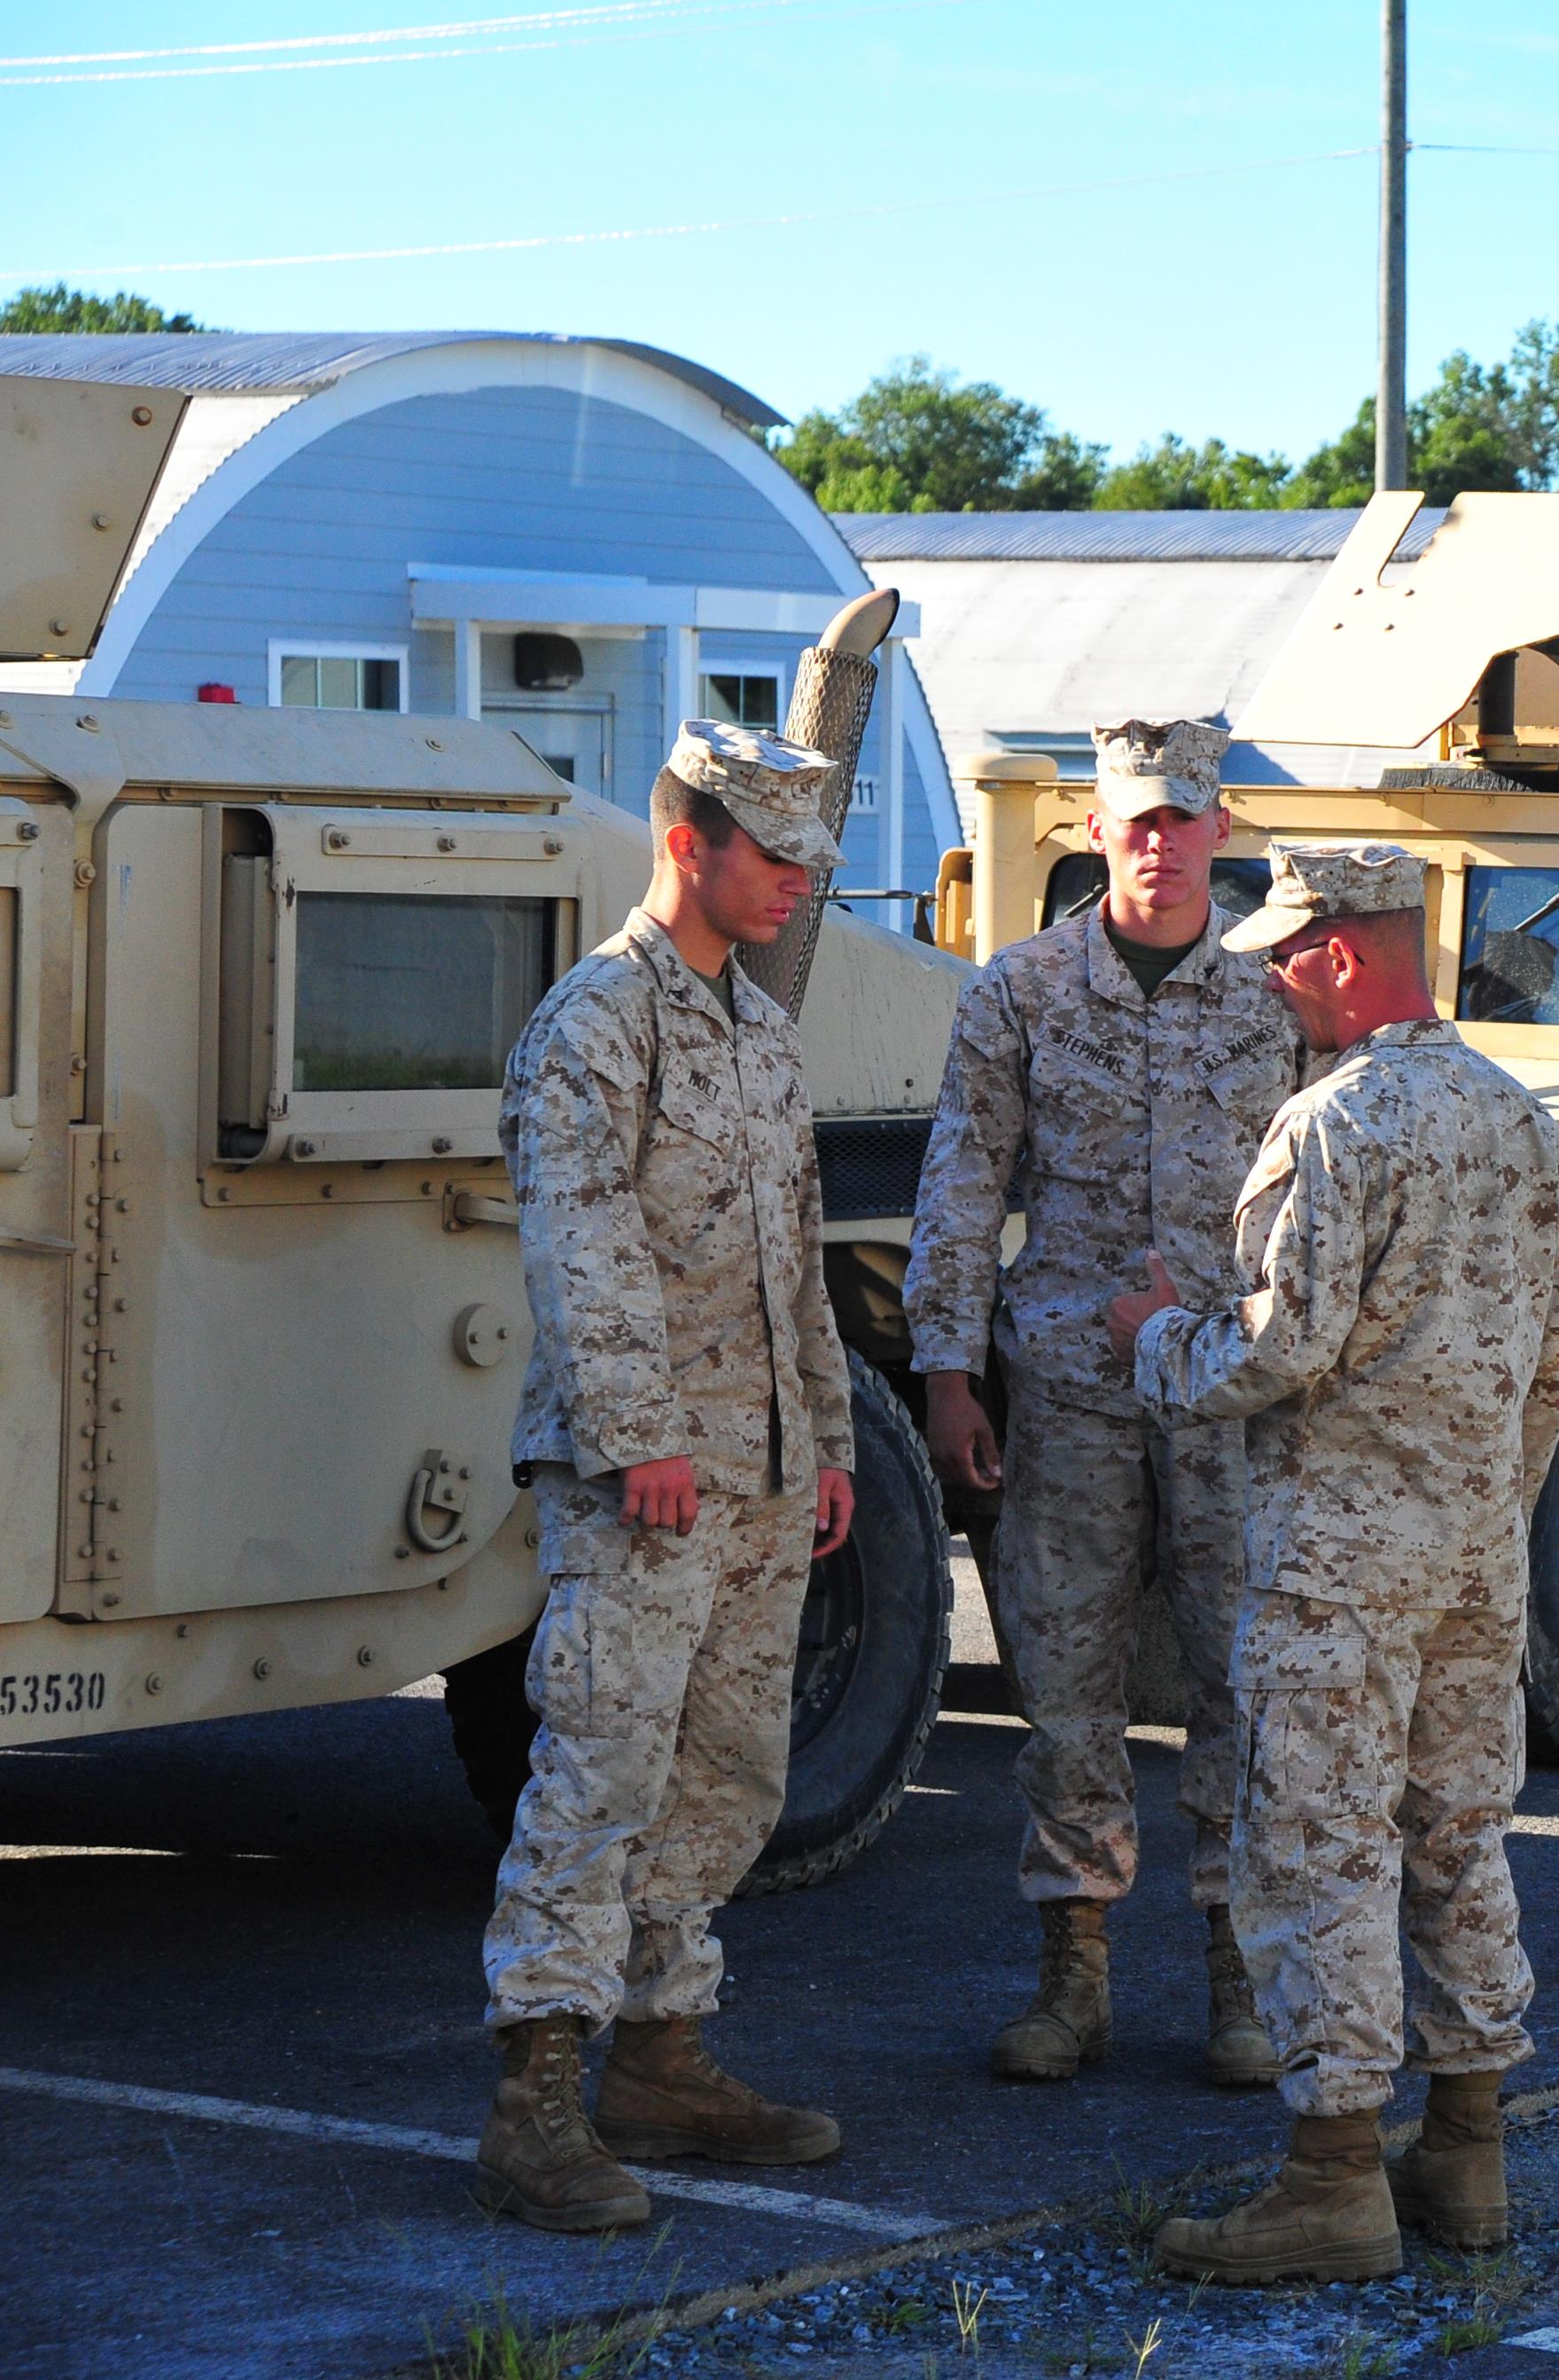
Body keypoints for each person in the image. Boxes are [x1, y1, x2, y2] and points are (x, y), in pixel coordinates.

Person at [1106, 843, 1559, 2285]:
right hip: (1474, 1553)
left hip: (1337, 1562)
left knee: (1318, 1840)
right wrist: (1489, 1501)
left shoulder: (1336, 1121)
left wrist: (1153, 1333)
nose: (1264, 979)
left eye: (1281, 956)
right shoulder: (1518, 1115)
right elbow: (1553, 1358)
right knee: (1458, 1832)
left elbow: (1279, 1344)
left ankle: (1330, 2177)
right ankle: (1470, 2150)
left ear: (1343, 954)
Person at [474, 720, 859, 2235]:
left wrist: (823, 1443)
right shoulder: (596, 1024)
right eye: (776, 853)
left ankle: (663, 2053)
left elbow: (800, 1265)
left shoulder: (760, 1030)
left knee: (723, 1774)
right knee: (601, 1772)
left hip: (759, 1477)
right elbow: (580, 1246)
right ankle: (534, 2104)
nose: (799, 883)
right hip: (645, 1477)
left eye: (813, 858)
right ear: (688, 842)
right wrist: (642, 1433)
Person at [907, 718, 1304, 2085]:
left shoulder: (1275, 1002)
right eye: (1136, 817)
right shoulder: (1017, 995)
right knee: (1063, 1683)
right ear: (1094, 828)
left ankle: (1242, 1980)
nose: (1160, 839)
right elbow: (964, 1188)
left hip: (1227, 1393)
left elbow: (1320, 1208)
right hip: (1068, 1391)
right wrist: (949, 1373)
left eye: (1184, 817)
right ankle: (1072, 1977)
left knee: (1243, 1679)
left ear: (1221, 830)